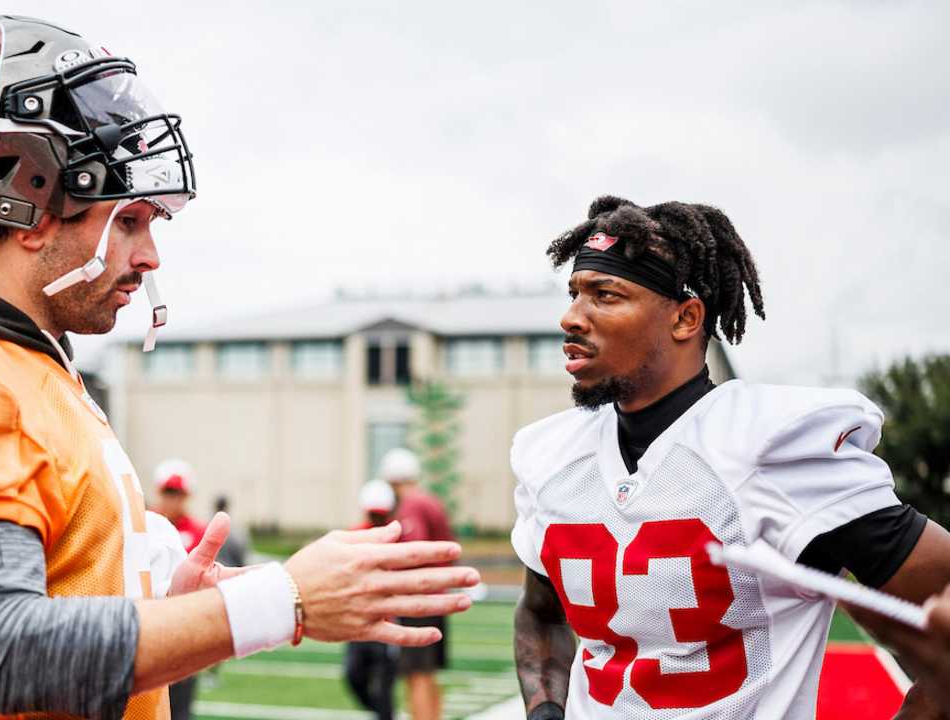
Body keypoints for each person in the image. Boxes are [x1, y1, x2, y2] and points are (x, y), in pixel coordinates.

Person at [0, 16, 479, 720]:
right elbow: (4, 650)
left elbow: (69, 597)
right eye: (130, 219)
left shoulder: (33, 367)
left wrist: (181, 606)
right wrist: (282, 601)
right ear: (27, 205)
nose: (150, 256)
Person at [510, 196, 950, 719]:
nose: (571, 318)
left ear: (685, 318)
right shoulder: (551, 455)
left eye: (605, 295)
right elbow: (541, 614)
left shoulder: (773, 447)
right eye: (575, 294)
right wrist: (545, 711)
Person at [379, 447, 456, 720]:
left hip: (419, 600)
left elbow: (412, 553)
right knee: (428, 673)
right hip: (435, 596)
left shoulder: (411, 505)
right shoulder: (431, 501)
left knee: (416, 674)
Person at [152, 459, 208, 720]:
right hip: (149, 625)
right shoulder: (144, 525)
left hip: (184, 628)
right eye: (168, 492)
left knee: (181, 707)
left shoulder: (198, 531)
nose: (173, 500)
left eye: (178, 493)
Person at [344, 480, 402, 720]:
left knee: (385, 687)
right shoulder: (355, 535)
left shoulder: (398, 536)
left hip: (387, 623)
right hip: (359, 622)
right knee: (353, 676)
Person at [213, 496, 249, 570]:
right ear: (227, 507)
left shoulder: (205, 527)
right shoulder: (237, 530)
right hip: (232, 571)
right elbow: (242, 556)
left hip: (214, 571)